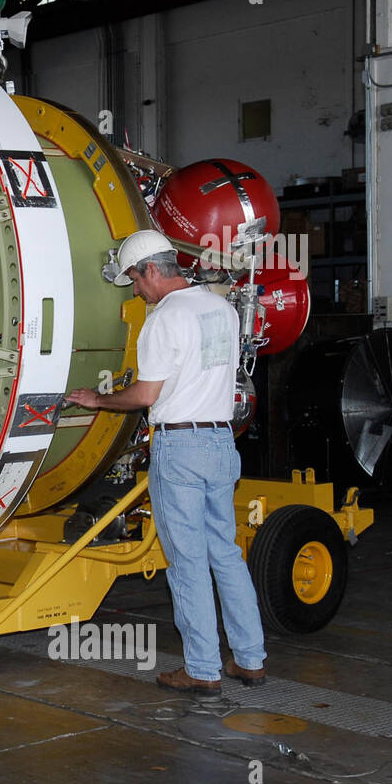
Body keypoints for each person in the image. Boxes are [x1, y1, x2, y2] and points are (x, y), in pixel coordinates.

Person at [64, 229, 266, 696]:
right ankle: (251, 659)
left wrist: (98, 399)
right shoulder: (222, 309)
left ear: (152, 270)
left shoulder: (164, 319)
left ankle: (202, 667)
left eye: (135, 279)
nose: (136, 290)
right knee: (227, 554)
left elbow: (145, 396)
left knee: (187, 561)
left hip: (180, 446)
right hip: (221, 441)